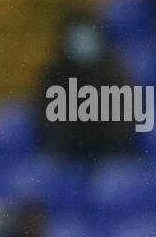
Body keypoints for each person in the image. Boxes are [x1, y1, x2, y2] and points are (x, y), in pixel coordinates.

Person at [35, 9, 136, 158]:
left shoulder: (114, 73)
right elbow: (46, 121)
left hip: (108, 152)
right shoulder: (53, 75)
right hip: (67, 154)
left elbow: (124, 122)